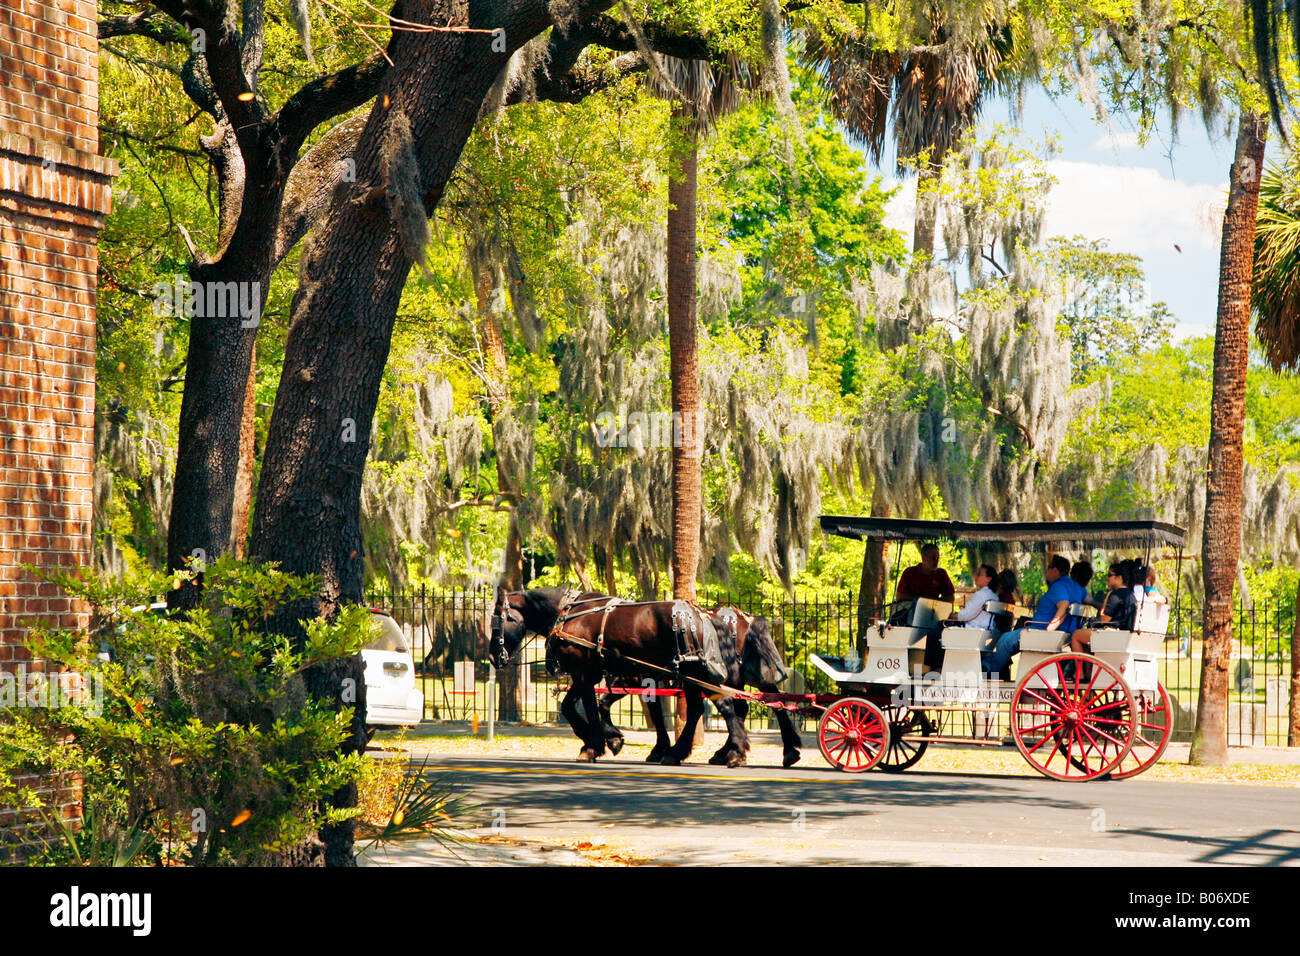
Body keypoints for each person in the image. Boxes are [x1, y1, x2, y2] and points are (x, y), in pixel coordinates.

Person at [981, 554, 1076, 675]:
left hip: (1040, 630)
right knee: (1011, 637)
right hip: (1057, 632)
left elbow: (1063, 605)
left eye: (1048, 568)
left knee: (1006, 640)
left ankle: (988, 670)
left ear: (1055, 571)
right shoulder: (1074, 586)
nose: (1046, 571)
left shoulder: (1058, 586)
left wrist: (1050, 629)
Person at [894, 543, 955, 672]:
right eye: (933, 558)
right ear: (924, 557)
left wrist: (933, 602)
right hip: (912, 616)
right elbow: (899, 596)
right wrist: (919, 600)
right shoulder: (910, 573)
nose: (936, 561)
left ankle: (935, 669)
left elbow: (950, 598)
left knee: (940, 634)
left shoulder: (941, 574)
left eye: (938, 558)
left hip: (933, 616)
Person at [1069, 562, 1138, 653]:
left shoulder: (1115, 595)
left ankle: (1080, 667)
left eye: (1110, 575)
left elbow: (1104, 619)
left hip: (1110, 634)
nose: (1107, 578)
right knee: (1084, 638)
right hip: (1123, 635)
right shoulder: (1130, 595)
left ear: (1119, 578)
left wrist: (1107, 596)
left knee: (1076, 635)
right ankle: (1089, 666)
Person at [952, 564, 999, 631]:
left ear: (988, 579)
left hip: (972, 630)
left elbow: (966, 615)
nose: (976, 576)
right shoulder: (995, 597)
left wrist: (954, 616)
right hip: (987, 632)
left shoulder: (980, 594)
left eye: (979, 574)